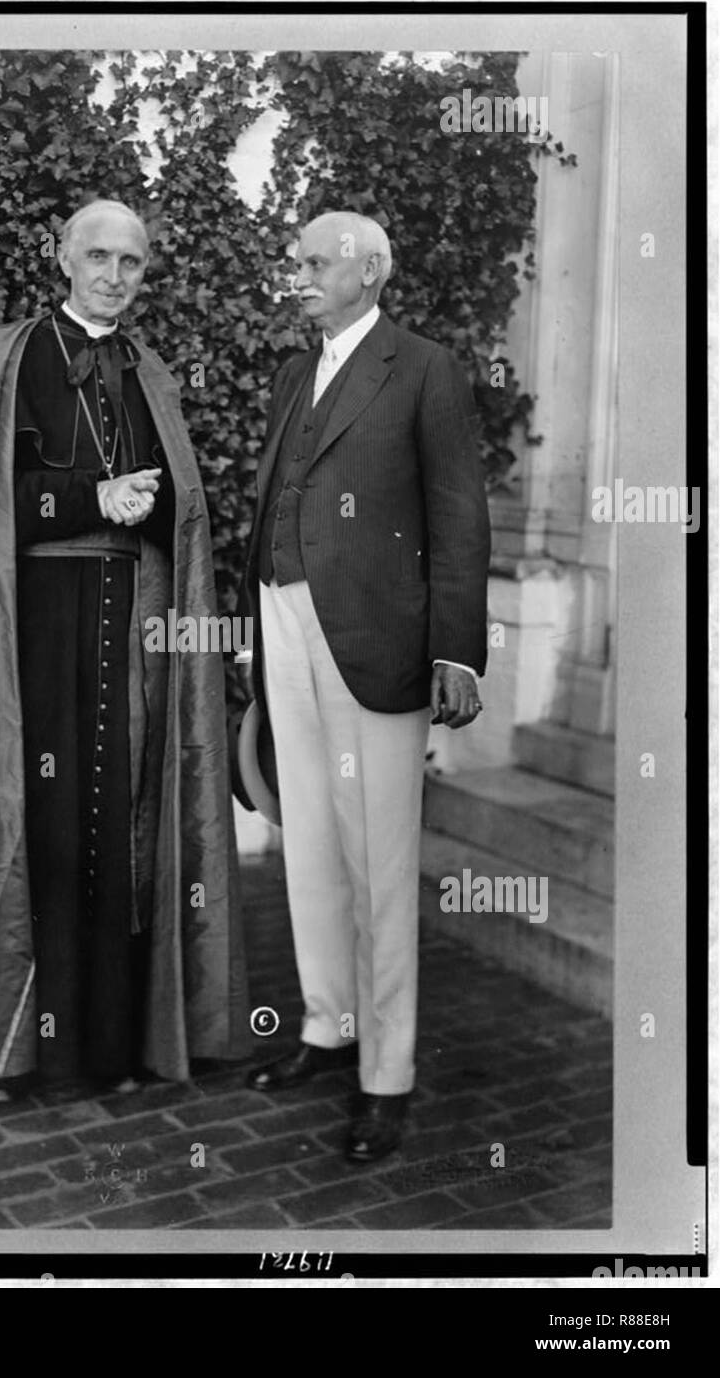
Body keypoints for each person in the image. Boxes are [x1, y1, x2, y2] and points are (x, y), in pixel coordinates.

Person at [0, 199, 249, 1098]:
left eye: (133, 263)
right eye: (99, 257)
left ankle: (112, 1049)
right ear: (62, 258)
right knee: (39, 824)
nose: (114, 276)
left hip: (132, 626)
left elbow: (179, 508)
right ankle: (23, 1053)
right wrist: (91, 500)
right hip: (31, 626)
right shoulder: (7, 358)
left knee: (122, 827)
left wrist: (154, 506)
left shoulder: (153, 371)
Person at [241, 211, 490, 1162]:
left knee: (381, 866)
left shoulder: (424, 368)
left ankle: (386, 1079)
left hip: (379, 641)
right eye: (297, 259)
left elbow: (459, 515)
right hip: (283, 620)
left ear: (370, 273)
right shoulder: (290, 376)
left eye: (316, 261)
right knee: (306, 842)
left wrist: (456, 652)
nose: (298, 273)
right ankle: (326, 1028)